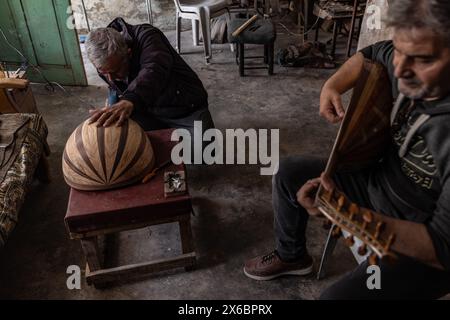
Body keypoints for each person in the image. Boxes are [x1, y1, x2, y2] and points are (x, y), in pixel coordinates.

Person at [244, 0, 450, 299]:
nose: (401, 70)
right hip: (377, 185)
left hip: (424, 240)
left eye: (422, 59)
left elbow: (442, 246)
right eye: (401, 51)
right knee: (290, 172)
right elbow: (373, 54)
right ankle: (292, 256)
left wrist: (346, 215)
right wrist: (331, 85)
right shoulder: (411, 63)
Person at [84, 17, 214, 134]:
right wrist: (113, 104)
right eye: (103, 73)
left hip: (183, 107)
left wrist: (130, 99)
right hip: (145, 108)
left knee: (201, 154)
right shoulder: (104, 58)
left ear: (128, 54)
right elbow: (115, 87)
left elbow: (154, 69)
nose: (110, 78)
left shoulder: (147, 36)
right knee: (118, 142)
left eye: (116, 70)